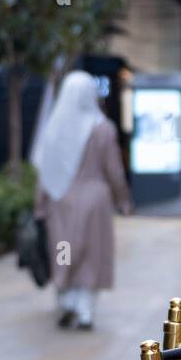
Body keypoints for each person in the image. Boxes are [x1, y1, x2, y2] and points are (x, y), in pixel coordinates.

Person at [31, 71, 132, 331]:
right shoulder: (103, 129)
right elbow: (114, 170)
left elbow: (45, 171)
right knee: (91, 253)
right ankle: (85, 310)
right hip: (94, 199)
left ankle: (66, 301)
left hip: (59, 199)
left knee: (63, 251)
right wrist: (123, 199)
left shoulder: (53, 128)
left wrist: (39, 204)